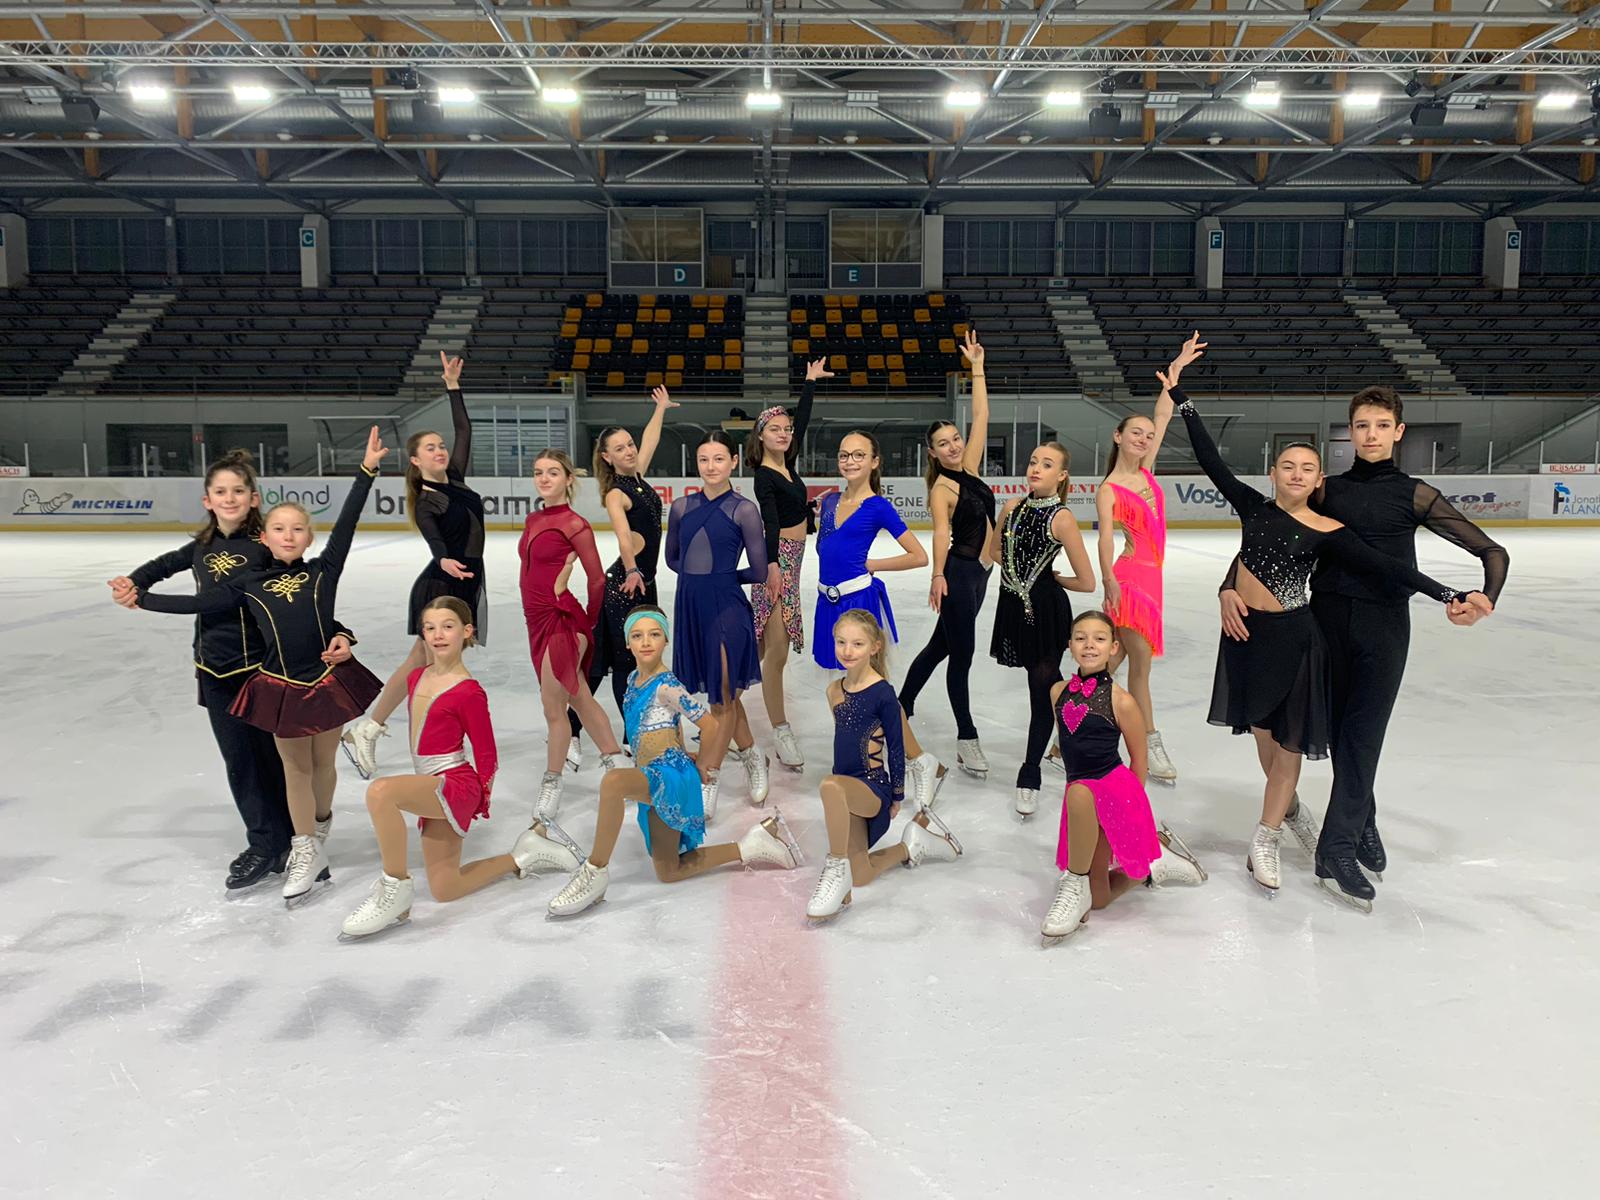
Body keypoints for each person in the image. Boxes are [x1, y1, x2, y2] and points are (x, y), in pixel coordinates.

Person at [1169, 358, 1485, 909]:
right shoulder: (1256, 508)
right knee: (1263, 739)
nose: (1295, 473)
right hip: (1246, 637)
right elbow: (1212, 464)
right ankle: (1295, 811)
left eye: (1305, 468)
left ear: (1318, 480)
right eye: (1286, 465)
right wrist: (1182, 399)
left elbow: (1390, 567)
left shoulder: (1329, 528)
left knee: (1294, 742)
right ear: (1274, 473)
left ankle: (1272, 837)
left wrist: (1448, 594)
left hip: (1301, 635)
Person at [131, 428, 392, 905]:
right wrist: (138, 592)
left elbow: (323, 586)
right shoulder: (227, 566)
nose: (287, 536)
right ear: (208, 500)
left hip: (290, 675)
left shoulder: (293, 561)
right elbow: (196, 597)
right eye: (220, 491)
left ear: (254, 501)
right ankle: (281, 845)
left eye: (238, 491)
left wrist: (366, 471)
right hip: (242, 676)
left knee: (303, 766)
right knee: (261, 767)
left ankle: (306, 835)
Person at [339, 598, 579, 939]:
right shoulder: (416, 676)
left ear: (467, 632)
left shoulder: (469, 691)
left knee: (381, 793)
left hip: (455, 784)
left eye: (448, 626)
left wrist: (481, 796)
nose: (438, 635)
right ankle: (524, 855)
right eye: (430, 627)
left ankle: (394, 891)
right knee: (445, 888)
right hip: (430, 786)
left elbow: (487, 752)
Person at [545, 606, 804, 917]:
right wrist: (681, 747)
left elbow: (710, 725)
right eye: (637, 636)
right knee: (669, 870)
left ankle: (595, 871)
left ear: (666, 639)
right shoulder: (632, 680)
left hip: (670, 775)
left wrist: (701, 767)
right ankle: (749, 846)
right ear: (627, 643)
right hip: (653, 774)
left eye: (654, 634)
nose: (645, 642)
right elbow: (670, 726)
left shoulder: (667, 686)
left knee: (613, 783)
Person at [345, 354, 484, 778]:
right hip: (441, 585)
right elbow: (435, 543)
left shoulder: (455, 478)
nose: (441, 450)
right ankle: (372, 728)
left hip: (462, 584)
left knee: (427, 664)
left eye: (441, 446)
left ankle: (378, 729)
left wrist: (452, 386)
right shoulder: (427, 500)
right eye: (431, 448)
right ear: (415, 461)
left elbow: (465, 429)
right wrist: (443, 557)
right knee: (422, 664)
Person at [1040, 612, 1207, 943]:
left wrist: (1131, 812)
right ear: (1070, 644)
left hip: (1115, 793)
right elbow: (1069, 742)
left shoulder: (1122, 701)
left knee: (1078, 792)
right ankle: (1153, 864)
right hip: (1084, 797)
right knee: (1100, 899)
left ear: (1114, 647)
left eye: (1099, 639)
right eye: (1081, 637)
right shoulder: (1058, 692)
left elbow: (1139, 758)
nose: (1090, 645)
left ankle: (1074, 885)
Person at [1085, 331, 1205, 786]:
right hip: (1130, 579)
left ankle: (1070, 725)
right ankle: (1149, 744)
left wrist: (1173, 377)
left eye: (1148, 436)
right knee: (1139, 666)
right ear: (1118, 436)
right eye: (1135, 433)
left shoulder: (1148, 470)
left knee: (1110, 663)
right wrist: (1108, 581)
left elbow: (1162, 413)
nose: (1144, 438)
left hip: (1154, 579)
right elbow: (1103, 540)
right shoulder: (1108, 489)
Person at [811, 430, 945, 808]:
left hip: (860, 601)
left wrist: (873, 564)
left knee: (875, 689)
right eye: (844, 454)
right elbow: (827, 550)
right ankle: (867, 757)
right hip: (829, 603)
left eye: (858, 455)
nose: (849, 461)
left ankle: (918, 760)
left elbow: (918, 556)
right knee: (851, 688)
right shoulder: (832, 501)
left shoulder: (879, 507)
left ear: (874, 462)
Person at [805, 610, 964, 922]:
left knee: (829, 785)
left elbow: (897, 747)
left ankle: (835, 871)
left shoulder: (883, 694)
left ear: (874, 647)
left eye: (857, 644)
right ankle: (912, 845)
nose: (847, 651)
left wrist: (896, 796)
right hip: (845, 789)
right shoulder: (833, 690)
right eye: (841, 642)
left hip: (872, 789)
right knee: (861, 874)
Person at [900, 330, 995, 781]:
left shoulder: (971, 467)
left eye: (956, 439)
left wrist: (975, 366)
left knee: (940, 646)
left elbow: (981, 413)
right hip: (959, 574)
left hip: (981, 577)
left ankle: (901, 705)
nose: (955, 445)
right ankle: (967, 737)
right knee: (961, 658)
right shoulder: (942, 487)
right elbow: (941, 533)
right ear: (933, 453)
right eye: (944, 444)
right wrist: (938, 576)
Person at [521, 450, 627, 838]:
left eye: (552, 472)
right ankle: (617, 765)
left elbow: (598, 579)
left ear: (568, 479)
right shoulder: (534, 518)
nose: (544, 478)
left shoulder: (574, 524)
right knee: (580, 697)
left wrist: (590, 623)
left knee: (554, 707)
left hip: (564, 620)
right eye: (538, 473)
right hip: (538, 623)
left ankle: (552, 783)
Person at [988, 442, 1097, 819]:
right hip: (1013, 608)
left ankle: (1029, 772)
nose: (1036, 468)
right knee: (1042, 683)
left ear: (1062, 475)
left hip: (1046, 612)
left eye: (1047, 464)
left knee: (1040, 692)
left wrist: (1052, 579)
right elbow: (995, 550)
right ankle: (1071, 701)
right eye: (1033, 461)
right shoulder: (1012, 508)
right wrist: (1020, 579)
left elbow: (1087, 582)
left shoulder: (1062, 518)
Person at [665, 431, 771, 818]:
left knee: (723, 698)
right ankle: (753, 755)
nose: (711, 466)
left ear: (733, 463)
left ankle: (708, 777)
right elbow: (672, 559)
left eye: (719, 459)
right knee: (721, 694)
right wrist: (700, 580)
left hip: (727, 608)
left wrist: (721, 577)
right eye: (704, 459)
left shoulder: (743, 510)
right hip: (691, 607)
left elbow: (758, 570)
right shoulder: (680, 507)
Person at [748, 357, 833, 770]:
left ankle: (719, 707)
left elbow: (803, 416)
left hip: (792, 563)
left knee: (757, 646)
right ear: (760, 436)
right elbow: (767, 520)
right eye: (774, 429)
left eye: (787, 429)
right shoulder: (763, 474)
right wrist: (771, 567)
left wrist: (810, 382)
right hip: (775, 563)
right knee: (776, 652)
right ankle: (780, 729)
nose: (783, 433)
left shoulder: (788, 465)